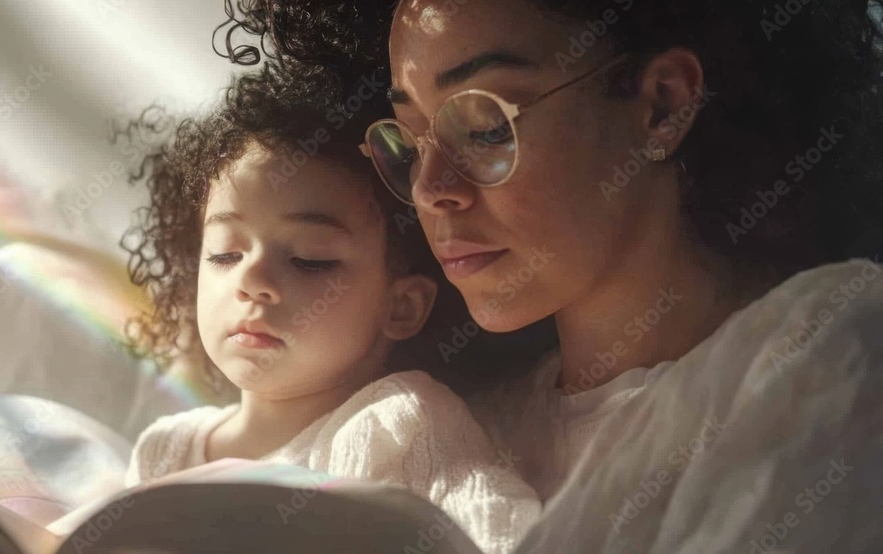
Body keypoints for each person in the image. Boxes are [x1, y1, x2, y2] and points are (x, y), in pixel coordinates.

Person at [220, 1, 883, 552]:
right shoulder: (442, 434)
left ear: (663, 104)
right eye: (410, 142)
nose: (430, 188)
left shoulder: (831, 347)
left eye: (484, 126)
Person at [119, 63, 541, 554]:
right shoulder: (164, 452)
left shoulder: (397, 425)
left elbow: (500, 536)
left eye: (309, 260)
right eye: (225, 254)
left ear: (402, 306)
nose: (252, 281)